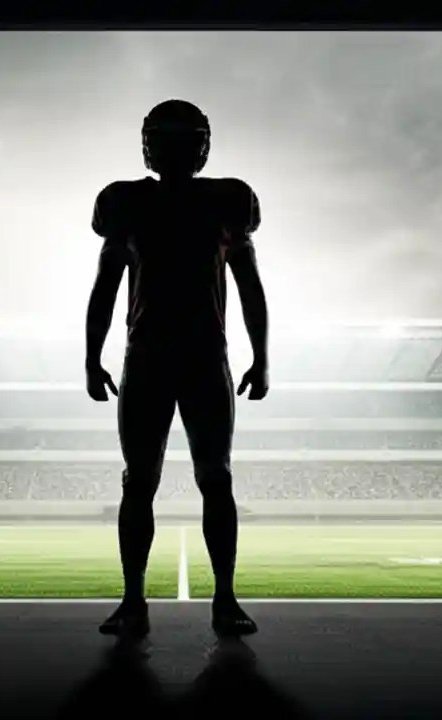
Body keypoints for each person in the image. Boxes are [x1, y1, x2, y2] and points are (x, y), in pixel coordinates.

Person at [84, 99, 270, 637]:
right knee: (143, 481)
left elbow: (249, 285)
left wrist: (261, 355)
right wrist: (91, 355)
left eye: (179, 137)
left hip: (196, 355)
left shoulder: (221, 202)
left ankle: (222, 596)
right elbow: (106, 285)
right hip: (154, 355)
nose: (173, 148)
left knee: (213, 478)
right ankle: (136, 598)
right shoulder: (134, 203)